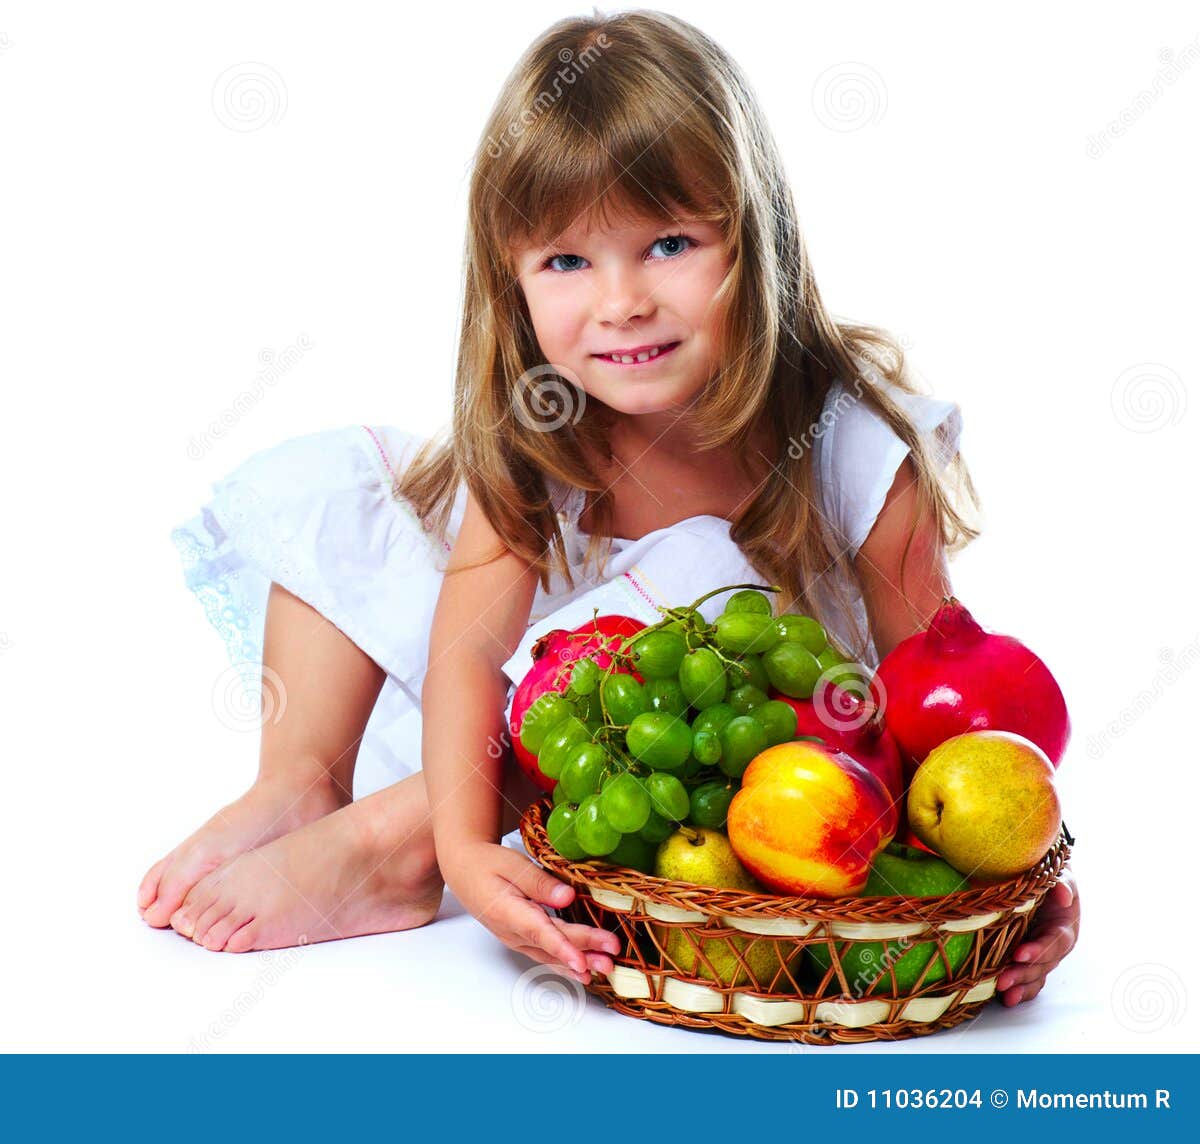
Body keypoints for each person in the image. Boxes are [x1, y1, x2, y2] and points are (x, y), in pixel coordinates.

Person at [141, 9, 1078, 1008]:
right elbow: (465, 650)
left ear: (751, 240)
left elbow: (948, 706)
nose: (621, 301)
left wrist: (1021, 883)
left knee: (697, 593)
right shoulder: (543, 423)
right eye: (567, 262)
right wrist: (469, 848)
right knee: (342, 490)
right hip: (486, 724)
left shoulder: (852, 443)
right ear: (511, 279)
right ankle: (303, 778)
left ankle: (389, 844)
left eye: (668, 242)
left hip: (696, 736)